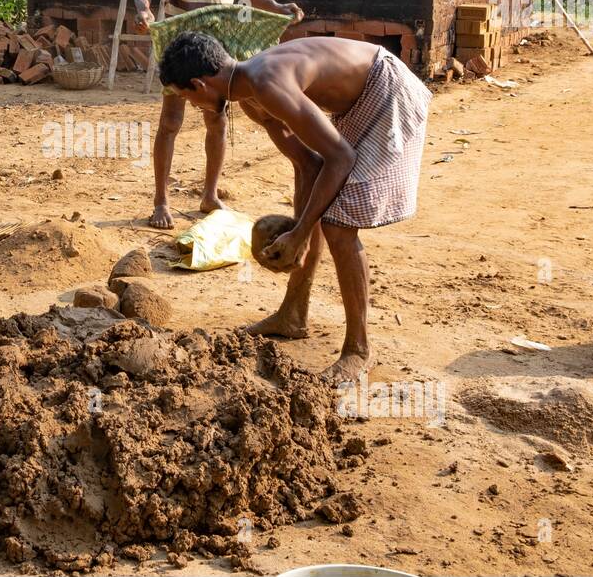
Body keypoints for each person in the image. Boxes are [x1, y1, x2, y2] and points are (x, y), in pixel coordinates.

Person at [158, 32, 432, 381]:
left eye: (187, 97)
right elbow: (309, 165)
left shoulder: (266, 83)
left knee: (338, 225)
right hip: (360, 100)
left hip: (389, 90)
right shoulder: (249, 97)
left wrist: (302, 232)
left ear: (199, 84)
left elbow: (340, 158)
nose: (194, 107)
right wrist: (298, 230)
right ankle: (293, 314)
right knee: (321, 209)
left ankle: (358, 350)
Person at [133, 0, 302, 229]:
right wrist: (144, 11)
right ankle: (161, 201)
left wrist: (279, 8)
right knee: (171, 121)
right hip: (180, 47)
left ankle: (209, 196)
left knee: (218, 118)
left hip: (219, 49)